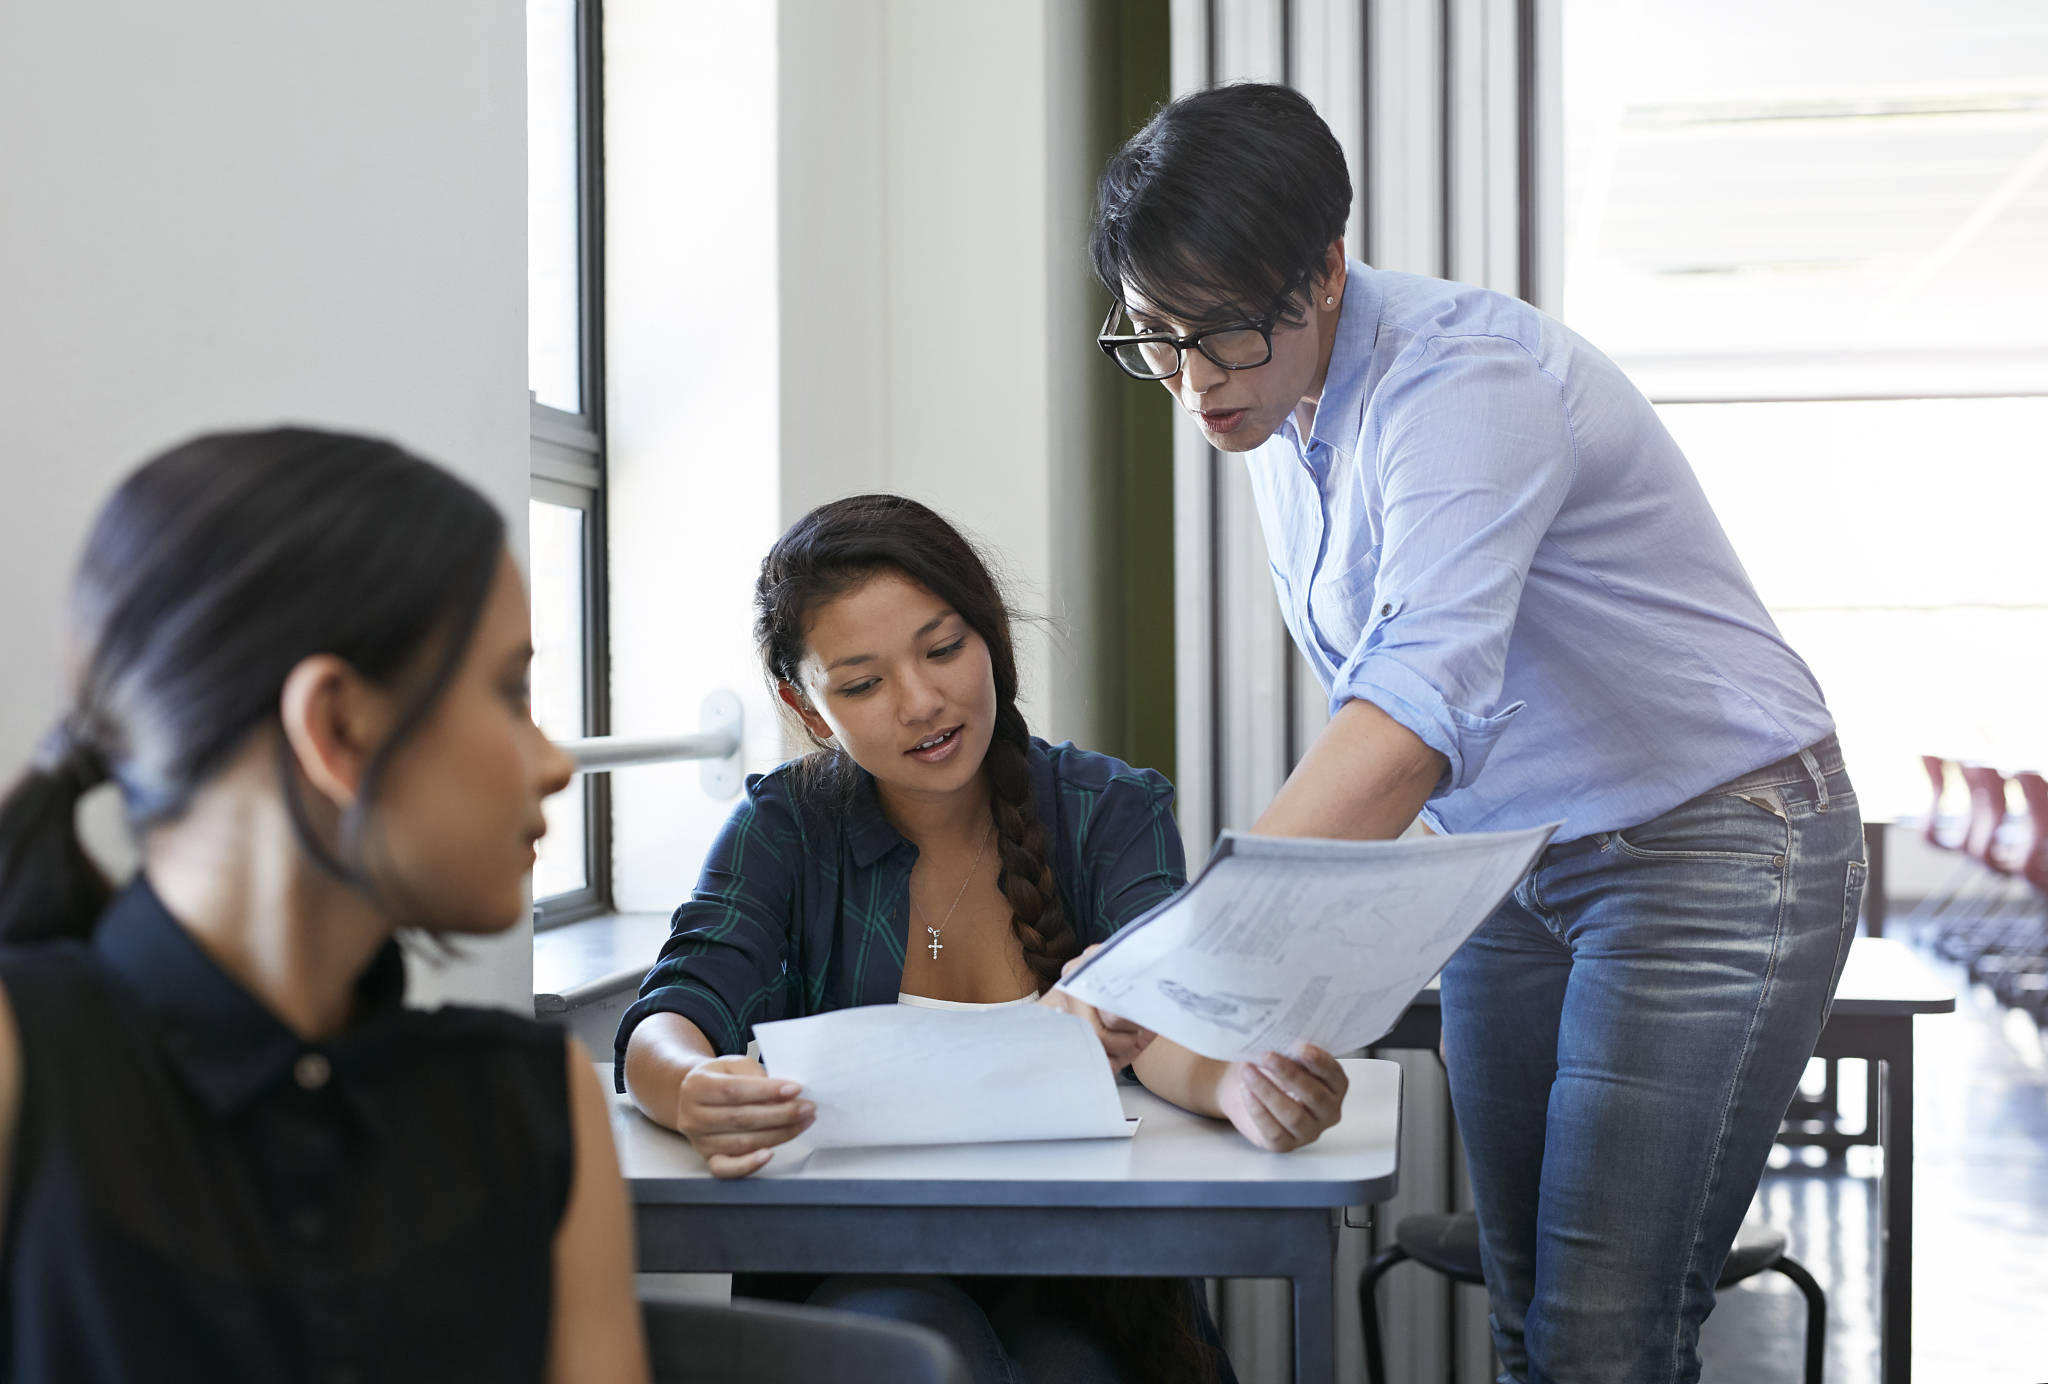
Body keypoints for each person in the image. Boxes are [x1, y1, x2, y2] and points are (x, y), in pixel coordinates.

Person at [1089, 84, 1864, 1383]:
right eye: (1155, 338)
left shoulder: (1461, 383)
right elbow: (1377, 703)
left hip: (1712, 840)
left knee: (1601, 1340)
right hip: (1512, 859)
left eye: (1220, 331)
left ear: (1324, 270)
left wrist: (1186, 956)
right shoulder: (1274, 411)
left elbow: (1411, 716)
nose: (1193, 380)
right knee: (1522, 1315)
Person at [619, 494, 1345, 1384]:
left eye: (943, 650)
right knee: (910, 1342)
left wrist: (1244, 1086)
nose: (922, 703)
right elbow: (676, 1010)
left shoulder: (1110, 810)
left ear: (990, 635)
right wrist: (689, 1087)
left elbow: (1162, 1023)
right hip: (850, 1262)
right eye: (862, 684)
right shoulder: (783, 829)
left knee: (1067, 1366)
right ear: (805, 706)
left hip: (1088, 1269)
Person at [0, 428, 649, 1384]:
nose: (554, 763)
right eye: (511, 691)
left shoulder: (541, 1107)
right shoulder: (21, 1065)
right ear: (338, 727)